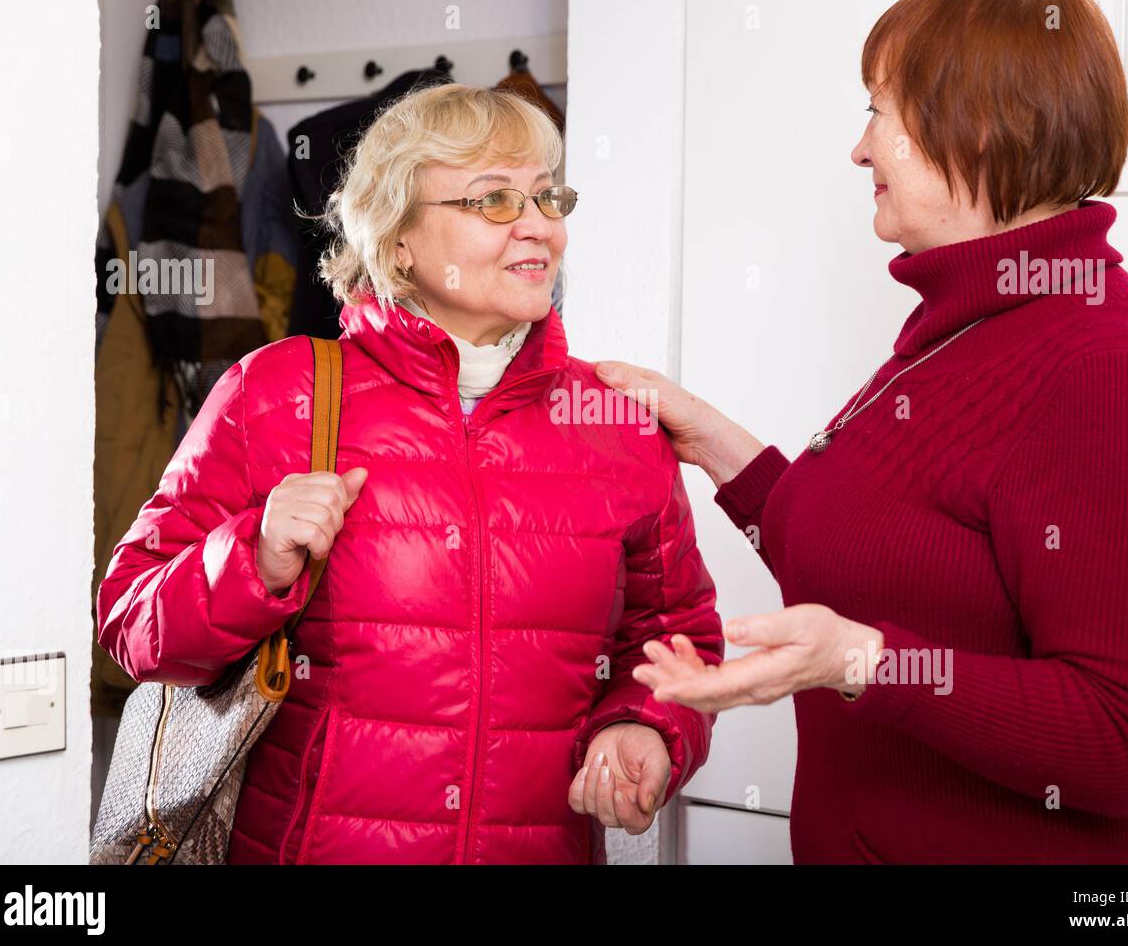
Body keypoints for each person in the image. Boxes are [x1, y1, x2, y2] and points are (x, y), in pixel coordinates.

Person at [596, 0, 1128, 863]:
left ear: (982, 124)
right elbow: (876, 553)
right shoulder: (967, 319)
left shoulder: (1102, 369)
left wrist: (861, 662)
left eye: (878, 111)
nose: (859, 149)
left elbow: (1117, 742)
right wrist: (712, 439)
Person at [96, 83, 724, 864]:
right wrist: (252, 556)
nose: (537, 227)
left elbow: (677, 635)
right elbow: (132, 624)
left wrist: (648, 725)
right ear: (398, 240)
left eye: (547, 196)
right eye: (492, 201)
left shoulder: (615, 420)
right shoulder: (279, 391)